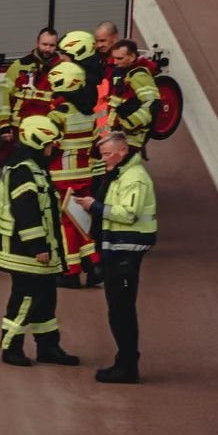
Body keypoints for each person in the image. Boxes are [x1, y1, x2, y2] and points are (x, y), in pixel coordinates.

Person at [0, 114, 79, 367]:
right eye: (50, 144)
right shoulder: (23, 171)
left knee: (46, 300)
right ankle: (11, 347)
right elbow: (26, 212)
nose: (53, 149)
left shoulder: (31, 166)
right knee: (25, 299)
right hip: (24, 252)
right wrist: (38, 247)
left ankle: (48, 347)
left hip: (33, 251)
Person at [73, 131, 157, 382]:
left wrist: (94, 207)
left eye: (108, 154)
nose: (105, 159)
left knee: (121, 310)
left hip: (125, 252)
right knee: (119, 309)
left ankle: (128, 364)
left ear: (123, 151)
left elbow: (128, 213)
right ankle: (125, 361)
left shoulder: (134, 178)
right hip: (117, 249)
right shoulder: (120, 173)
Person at [46, 49, 103, 287]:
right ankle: (94, 261)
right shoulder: (89, 115)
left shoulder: (58, 115)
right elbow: (94, 143)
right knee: (81, 219)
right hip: (84, 174)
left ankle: (71, 272)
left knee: (66, 223)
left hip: (61, 175)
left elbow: (50, 145)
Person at [99, 39, 160, 152]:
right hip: (116, 136)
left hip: (130, 139)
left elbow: (152, 104)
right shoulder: (120, 73)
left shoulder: (139, 75)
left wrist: (129, 123)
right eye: (114, 58)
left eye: (119, 58)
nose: (115, 62)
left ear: (132, 57)